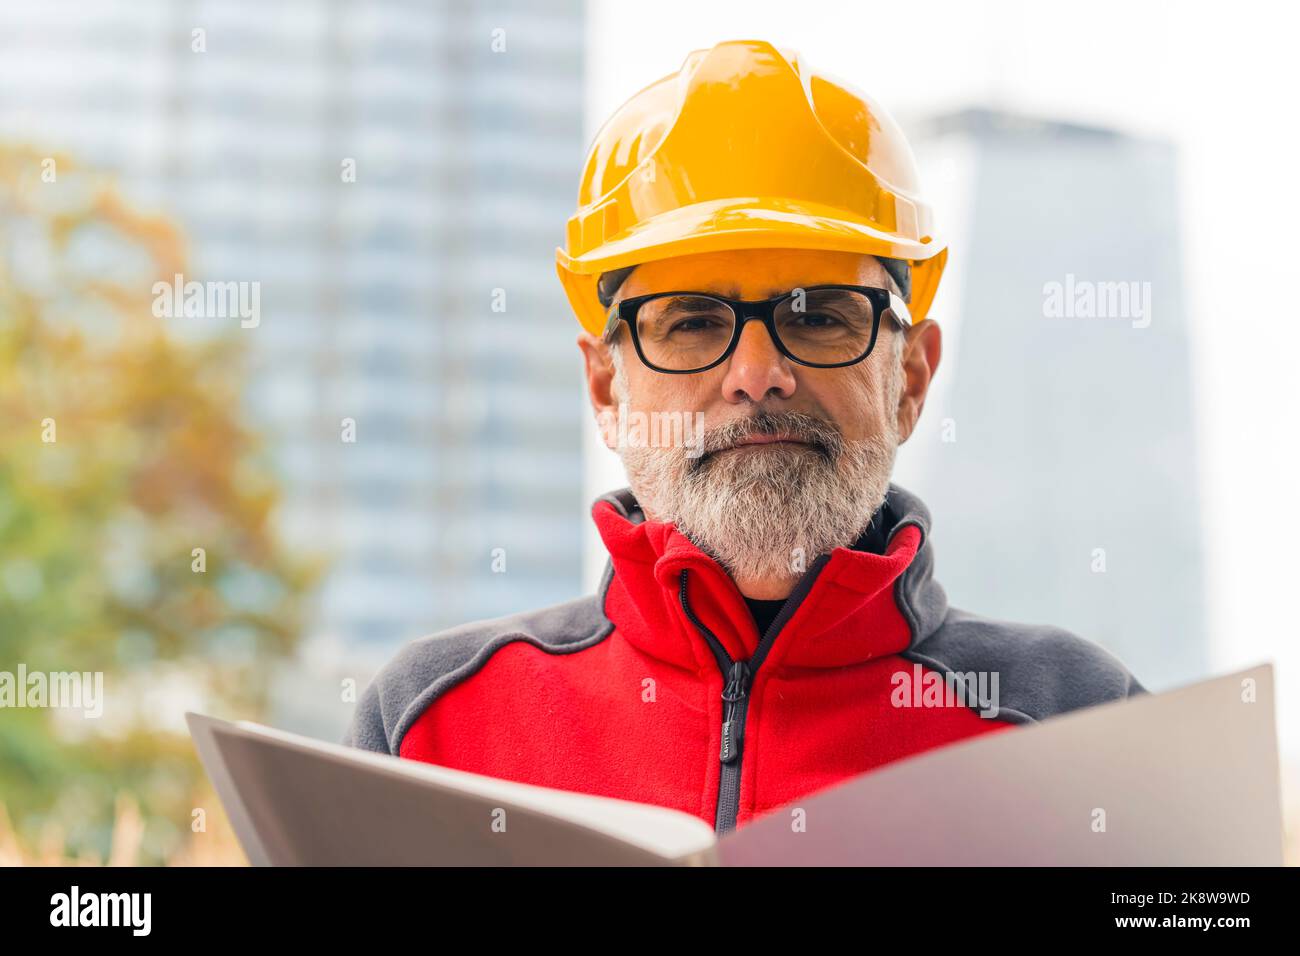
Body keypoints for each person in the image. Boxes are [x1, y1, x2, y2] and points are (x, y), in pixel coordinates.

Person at [345, 39, 1145, 834]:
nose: (757, 373)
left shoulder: (1085, 729)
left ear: (909, 380)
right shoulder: (428, 734)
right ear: (605, 389)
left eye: (820, 315)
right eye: (692, 321)